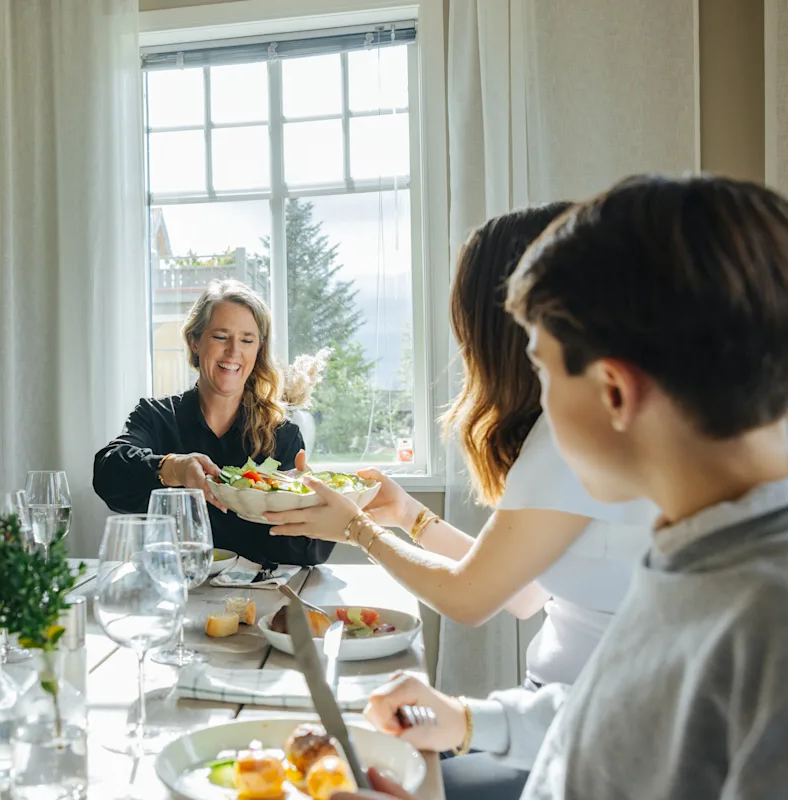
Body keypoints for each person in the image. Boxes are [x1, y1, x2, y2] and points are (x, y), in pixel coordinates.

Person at [335, 174, 788, 800]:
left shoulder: (764, 625)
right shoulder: (691, 546)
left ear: (614, 392)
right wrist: (470, 721)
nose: (540, 402)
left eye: (543, 369)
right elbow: (623, 714)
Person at [266, 204, 657, 799]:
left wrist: (364, 534)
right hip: (549, 714)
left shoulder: (573, 436)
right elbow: (522, 594)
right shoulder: (578, 434)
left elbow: (472, 598)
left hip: (590, 748)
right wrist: (407, 515)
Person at [94, 279, 331, 565]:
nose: (233, 352)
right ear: (195, 341)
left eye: (246, 340)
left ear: (258, 351)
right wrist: (173, 469)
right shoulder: (155, 417)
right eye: (220, 336)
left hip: (256, 596)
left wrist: (313, 502)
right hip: (173, 587)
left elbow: (302, 553)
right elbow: (108, 474)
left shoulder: (281, 434)